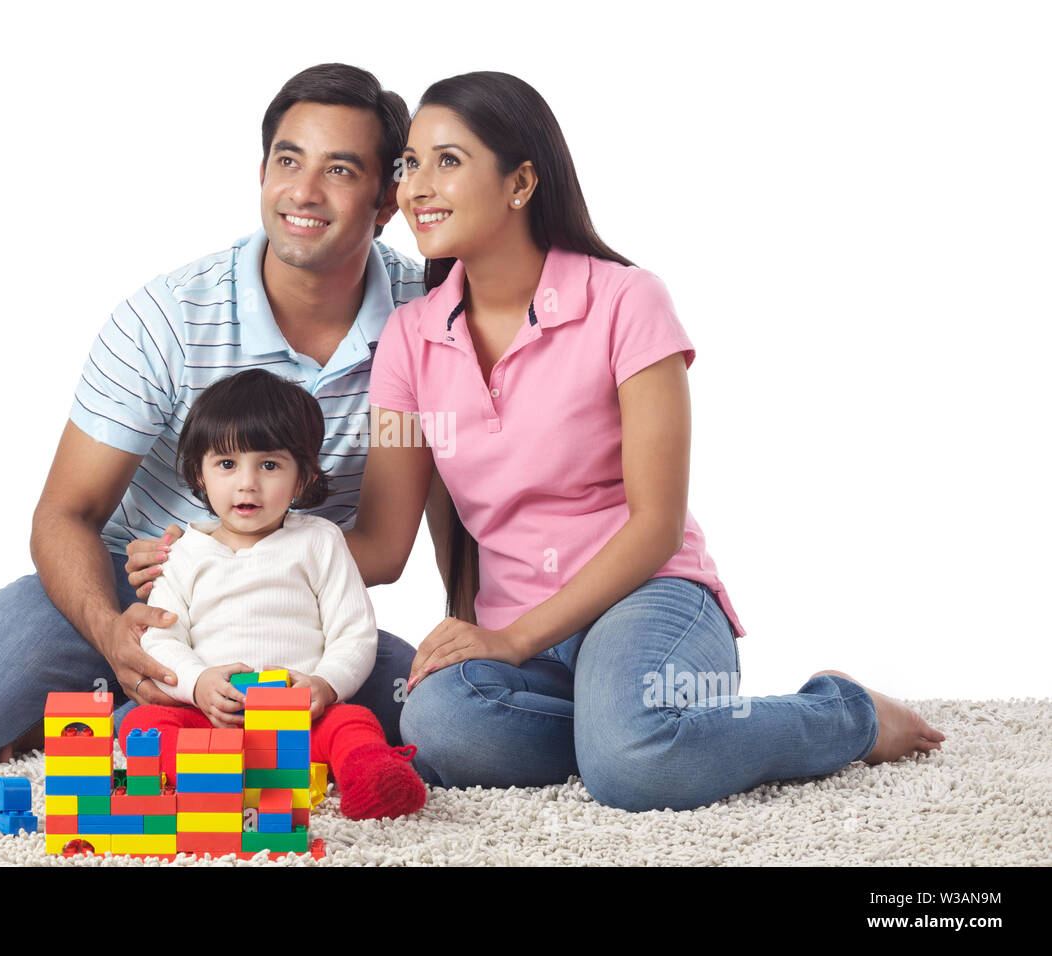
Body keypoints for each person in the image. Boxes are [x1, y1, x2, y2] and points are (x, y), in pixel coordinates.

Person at [334, 71, 946, 811]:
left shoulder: (628, 303)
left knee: (632, 769)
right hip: (517, 633)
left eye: (448, 161)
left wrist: (515, 641)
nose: (416, 187)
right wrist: (222, 547)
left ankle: (844, 712)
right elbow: (386, 536)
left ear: (521, 182)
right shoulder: (408, 340)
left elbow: (656, 525)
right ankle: (630, 733)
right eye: (409, 164)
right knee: (436, 722)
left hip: (649, 597)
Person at [0, 63, 438, 766]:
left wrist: (245, 560)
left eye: (340, 171)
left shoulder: (426, 322)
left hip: (299, 599)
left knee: (437, 724)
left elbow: (384, 551)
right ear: (262, 170)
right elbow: (65, 514)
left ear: (387, 200)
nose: (303, 191)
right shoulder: (169, 317)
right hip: (140, 586)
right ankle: (120, 689)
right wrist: (117, 631)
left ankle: (132, 710)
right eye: (287, 161)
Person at [118, 368, 426, 820]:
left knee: (353, 723)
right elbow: (162, 638)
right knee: (143, 723)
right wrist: (200, 684)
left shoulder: (319, 541)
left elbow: (354, 634)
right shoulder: (183, 553)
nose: (247, 483)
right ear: (199, 477)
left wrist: (324, 685)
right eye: (226, 464)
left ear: (301, 479)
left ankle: (375, 780)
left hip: (300, 722)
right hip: (213, 719)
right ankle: (206, 780)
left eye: (269, 465)